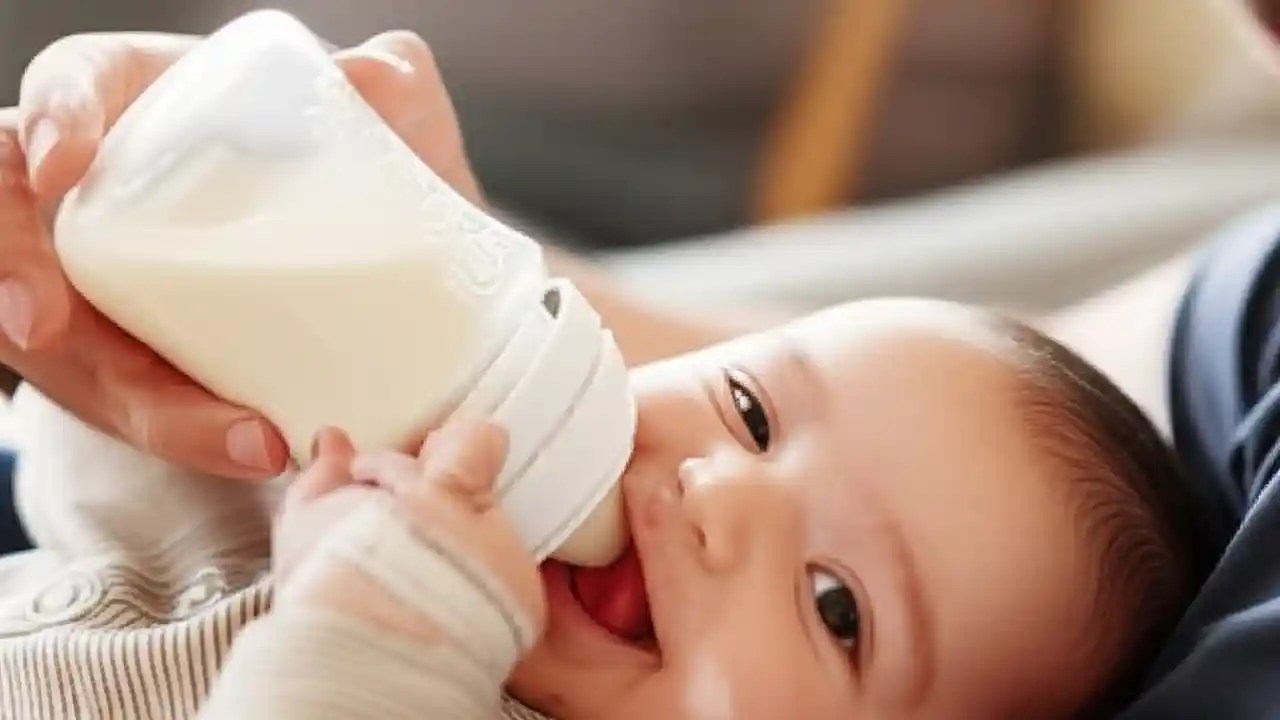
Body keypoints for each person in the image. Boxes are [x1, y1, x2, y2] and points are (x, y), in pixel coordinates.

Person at [0, 29, 1201, 719]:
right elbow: (106, 522)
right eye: (749, 407)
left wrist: (369, 655)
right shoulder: (414, 512)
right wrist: (171, 319)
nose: (722, 494)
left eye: (837, 609)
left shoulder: (393, 646)